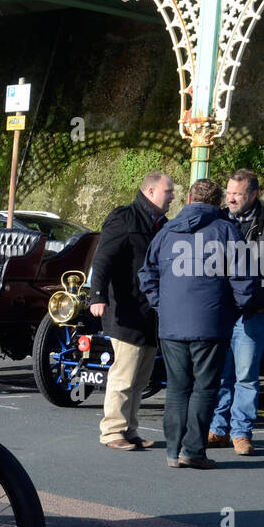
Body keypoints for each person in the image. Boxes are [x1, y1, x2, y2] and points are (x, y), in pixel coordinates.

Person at [139, 179, 263, 470]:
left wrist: (162, 304)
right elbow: (244, 281)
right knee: (205, 388)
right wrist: (234, 309)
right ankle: (193, 451)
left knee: (178, 388)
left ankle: (173, 451)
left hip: (171, 325)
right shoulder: (226, 231)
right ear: (217, 202)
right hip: (210, 323)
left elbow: (146, 274)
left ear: (189, 198)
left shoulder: (166, 232)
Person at [207, 168, 264, 456]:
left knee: (246, 376)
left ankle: (241, 433)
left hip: (255, 313)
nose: (231, 199)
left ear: (254, 194)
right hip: (221, 312)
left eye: (238, 194)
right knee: (220, 374)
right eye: (229, 193)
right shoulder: (218, 219)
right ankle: (217, 429)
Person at [88, 171, 175, 450]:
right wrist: (97, 296)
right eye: (168, 191)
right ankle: (112, 430)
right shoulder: (125, 217)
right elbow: (103, 258)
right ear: (150, 192)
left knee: (140, 378)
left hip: (150, 312)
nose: (172, 196)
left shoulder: (163, 224)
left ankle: (129, 429)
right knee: (124, 375)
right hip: (126, 310)